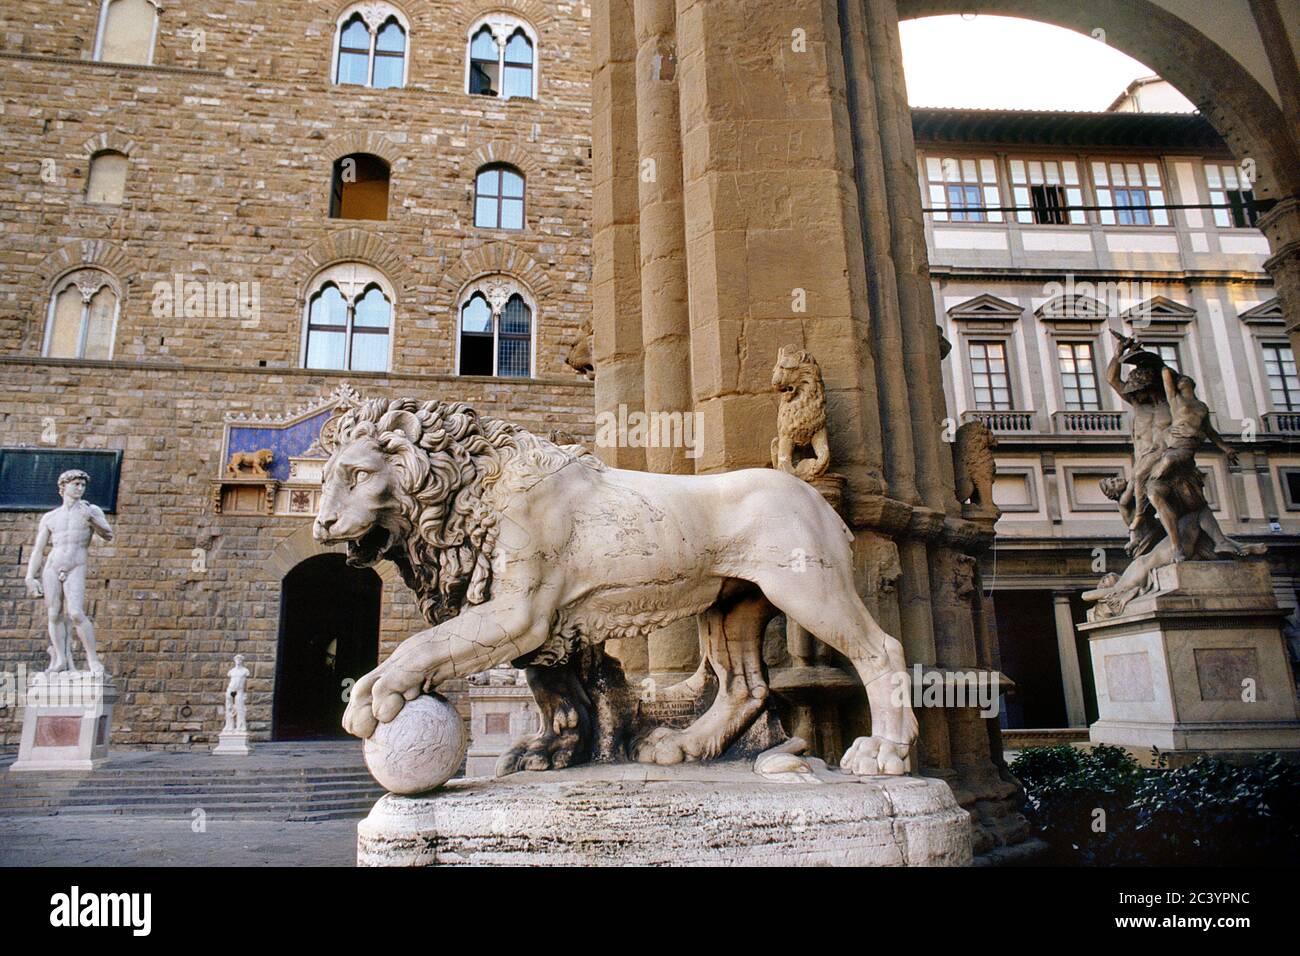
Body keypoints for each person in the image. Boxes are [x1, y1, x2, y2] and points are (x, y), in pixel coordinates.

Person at [24, 469, 114, 674]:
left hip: (76, 564)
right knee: (54, 614)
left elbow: (108, 534)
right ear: (64, 487)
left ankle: (92, 660)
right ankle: (60, 660)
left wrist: (92, 519)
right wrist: (30, 575)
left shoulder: (91, 510)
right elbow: (39, 549)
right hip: (53, 565)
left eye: (83, 485)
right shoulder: (50, 517)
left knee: (75, 612)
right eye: (76, 484)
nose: (80, 488)